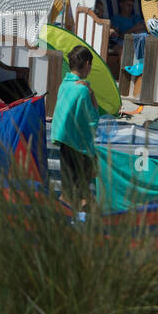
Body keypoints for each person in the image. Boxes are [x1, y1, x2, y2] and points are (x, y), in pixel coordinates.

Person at [51, 45, 101, 213]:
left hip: (65, 143)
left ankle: (61, 221)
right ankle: (80, 226)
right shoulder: (82, 90)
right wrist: (92, 95)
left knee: (67, 193)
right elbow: (93, 120)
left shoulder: (63, 86)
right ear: (87, 64)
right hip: (81, 148)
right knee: (83, 196)